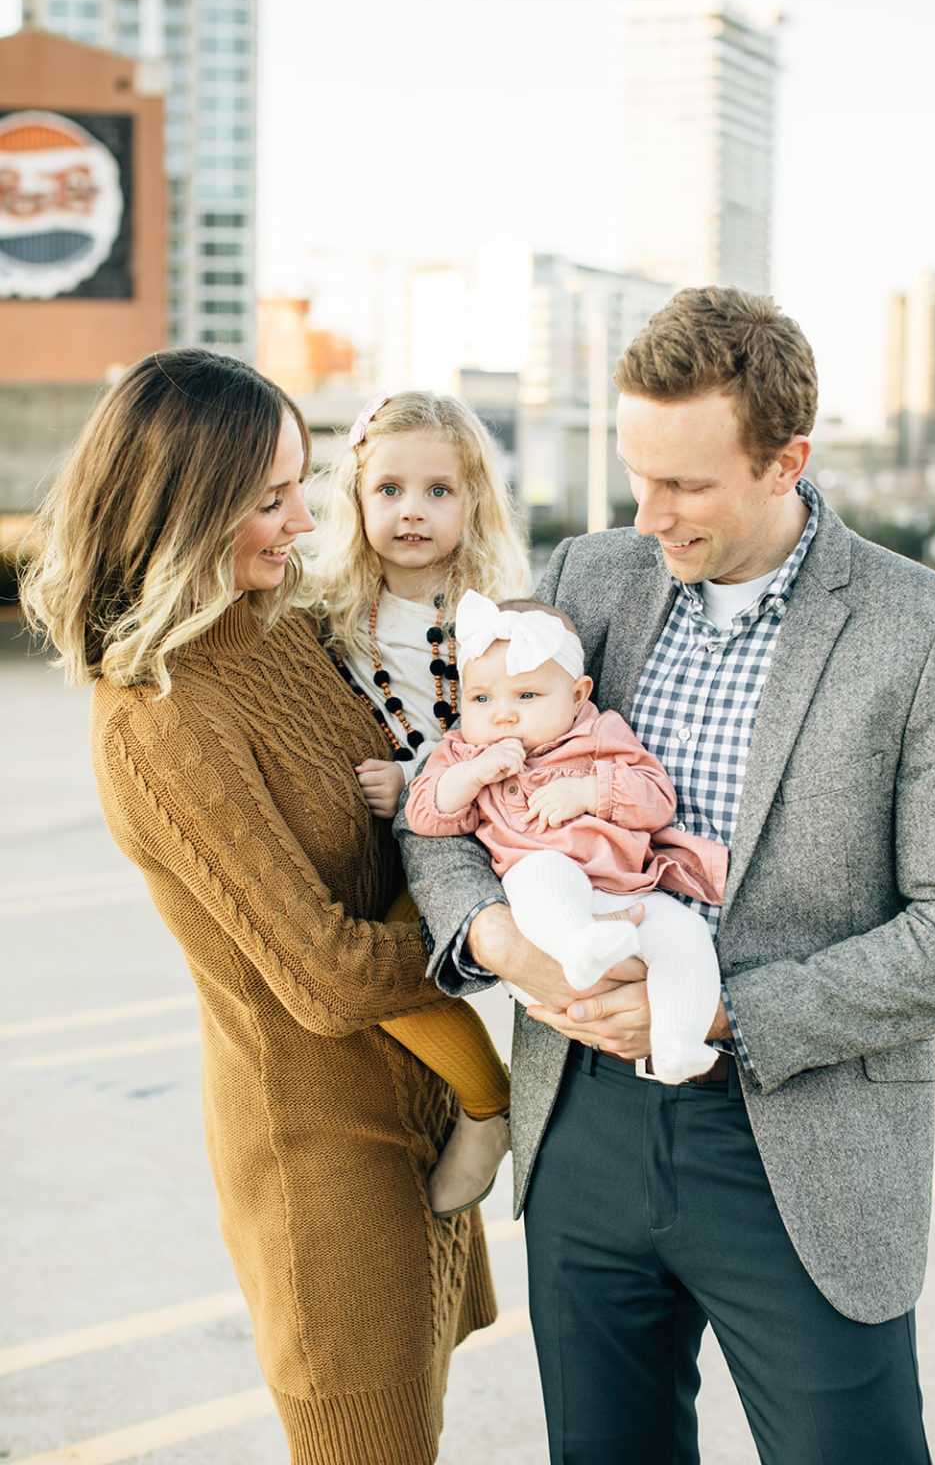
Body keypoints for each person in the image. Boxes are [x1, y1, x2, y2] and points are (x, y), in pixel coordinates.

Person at [395, 286, 935, 1465]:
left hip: (802, 1137)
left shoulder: (927, 627)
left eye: (685, 484)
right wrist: (491, 936)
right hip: (578, 1126)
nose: (651, 513)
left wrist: (726, 1009)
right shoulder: (585, 577)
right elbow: (443, 809)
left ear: (786, 460)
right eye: (636, 474)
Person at [21, 349, 497, 1465]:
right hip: (320, 1155)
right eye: (271, 496)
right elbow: (328, 973)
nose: (304, 518)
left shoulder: (285, 621)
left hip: (421, 1102)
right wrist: (494, 930)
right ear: (185, 506)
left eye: (304, 482)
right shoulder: (159, 715)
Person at [314, 389, 531, 1214]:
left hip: (472, 835)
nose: (414, 512)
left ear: (473, 501)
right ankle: (485, 1101)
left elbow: (516, 725)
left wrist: (421, 778)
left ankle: (491, 1105)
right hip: (382, 842)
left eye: (439, 491)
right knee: (366, 971)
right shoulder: (330, 611)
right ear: (357, 498)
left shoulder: (488, 617)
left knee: (377, 971)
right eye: (390, 490)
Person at [406, 590, 728, 1084]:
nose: (502, 715)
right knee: (542, 870)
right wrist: (472, 776)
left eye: (527, 696)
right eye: (481, 698)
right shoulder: (465, 752)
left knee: (683, 935)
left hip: (629, 892)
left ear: (578, 696)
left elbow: (657, 798)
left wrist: (589, 790)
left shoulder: (602, 734)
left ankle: (679, 1042)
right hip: (545, 924)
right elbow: (425, 815)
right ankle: (579, 945)